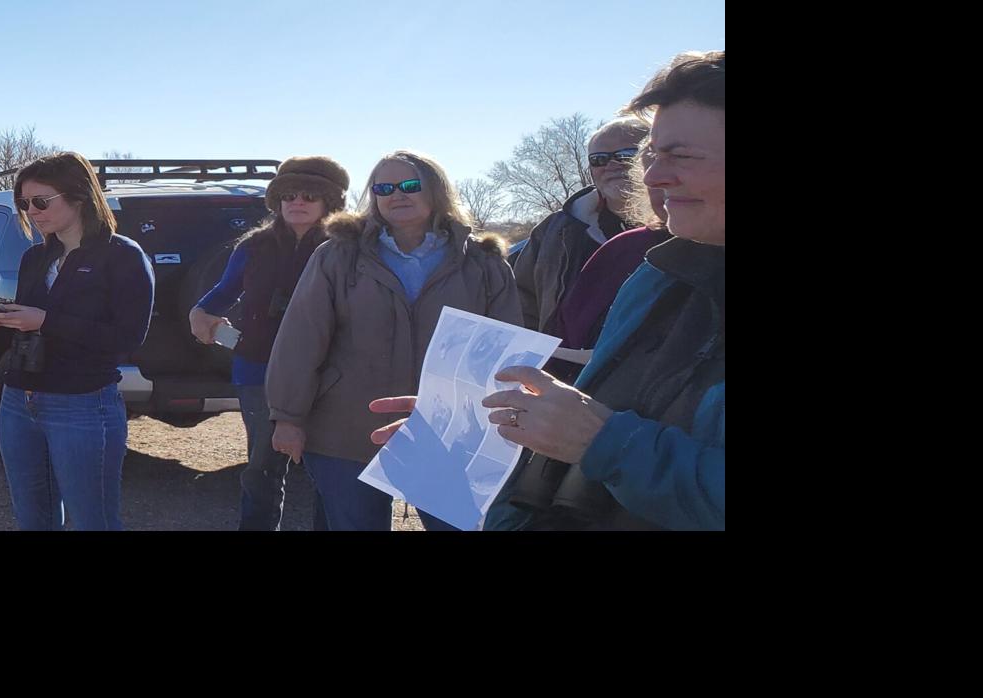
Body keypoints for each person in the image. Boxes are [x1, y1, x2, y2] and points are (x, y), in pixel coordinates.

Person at [373, 50, 725, 531]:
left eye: (680, 156)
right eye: (653, 155)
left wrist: (602, 441)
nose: (651, 176)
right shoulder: (658, 274)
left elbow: (603, 436)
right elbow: (606, 407)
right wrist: (502, 422)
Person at [265, 150, 521, 531]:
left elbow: (503, 352)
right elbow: (300, 340)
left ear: (436, 190)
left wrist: (508, 422)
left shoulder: (482, 263)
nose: (396, 194)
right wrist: (287, 417)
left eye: (409, 185)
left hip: (449, 436)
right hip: (348, 432)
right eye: (384, 188)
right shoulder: (337, 256)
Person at [0, 151, 152, 531]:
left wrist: (46, 320)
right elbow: (33, 324)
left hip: (83, 404)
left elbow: (127, 336)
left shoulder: (122, 255)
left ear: (79, 196)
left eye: (41, 201)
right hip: (17, 400)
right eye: (23, 203)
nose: (31, 211)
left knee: (95, 520)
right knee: (33, 519)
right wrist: (3, 320)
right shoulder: (35, 258)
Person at [187, 156, 349, 530]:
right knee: (262, 467)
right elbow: (221, 293)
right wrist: (200, 313)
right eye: (288, 194)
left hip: (328, 375)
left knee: (326, 470)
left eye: (310, 195)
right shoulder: (253, 246)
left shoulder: (345, 248)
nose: (297, 202)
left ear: (329, 202)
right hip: (257, 371)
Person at [512, 116, 653, 334]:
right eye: (599, 159)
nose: (612, 165)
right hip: (563, 365)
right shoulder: (556, 230)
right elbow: (522, 301)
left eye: (626, 155)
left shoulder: (687, 228)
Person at [541, 150, 669, 384]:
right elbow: (565, 330)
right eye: (598, 159)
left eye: (626, 156)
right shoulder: (622, 248)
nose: (655, 176)